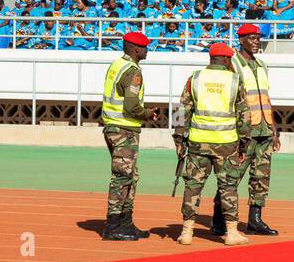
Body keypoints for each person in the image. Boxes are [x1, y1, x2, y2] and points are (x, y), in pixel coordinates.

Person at [174, 41, 251, 246]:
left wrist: (179, 138)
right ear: (226, 59)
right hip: (226, 143)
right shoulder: (235, 80)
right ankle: (232, 232)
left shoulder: (195, 78)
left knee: (193, 185)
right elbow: (244, 116)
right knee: (228, 187)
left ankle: (187, 232)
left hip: (198, 142)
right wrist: (244, 143)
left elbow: (181, 110)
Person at [100, 30, 158, 240]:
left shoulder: (117, 65)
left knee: (130, 175)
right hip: (123, 128)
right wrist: (148, 114)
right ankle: (113, 225)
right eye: (144, 47)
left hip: (114, 126)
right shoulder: (133, 71)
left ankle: (126, 222)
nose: (147, 50)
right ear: (135, 49)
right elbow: (132, 106)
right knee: (123, 176)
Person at [232, 22, 280, 235]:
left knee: (261, 176)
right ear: (241, 40)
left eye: (258, 38)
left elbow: (266, 99)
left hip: (264, 129)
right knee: (233, 175)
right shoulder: (232, 64)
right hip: (245, 131)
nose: (256, 41)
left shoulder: (262, 65)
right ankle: (219, 217)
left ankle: (255, 219)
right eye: (251, 38)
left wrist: (275, 129)